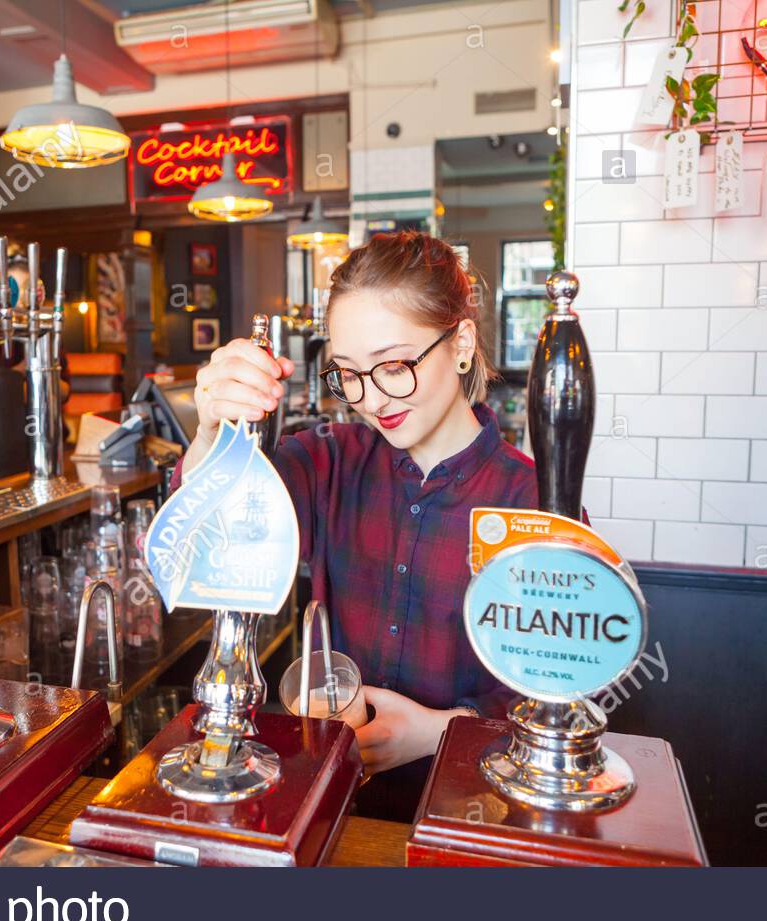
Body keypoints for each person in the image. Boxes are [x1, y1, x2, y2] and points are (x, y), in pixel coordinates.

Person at [180, 231, 539, 816]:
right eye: (348, 373)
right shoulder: (329, 458)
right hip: (333, 802)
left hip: (473, 817)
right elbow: (208, 537)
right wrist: (211, 434)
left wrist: (442, 731)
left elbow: (560, 703)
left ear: (463, 342)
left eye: (393, 365)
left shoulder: (532, 503)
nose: (371, 400)